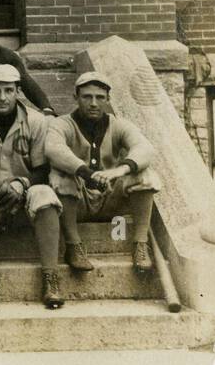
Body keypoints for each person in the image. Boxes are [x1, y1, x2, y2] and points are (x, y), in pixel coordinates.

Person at [0, 65, 65, 311]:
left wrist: (22, 183)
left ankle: (51, 277)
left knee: (46, 194)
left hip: (24, 191)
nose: (2, 97)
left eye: (9, 90)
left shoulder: (37, 121)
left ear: (19, 91)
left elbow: (43, 168)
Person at [46, 72, 162, 274]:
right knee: (60, 175)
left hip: (110, 199)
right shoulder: (62, 123)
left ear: (108, 99)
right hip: (78, 201)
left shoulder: (117, 124)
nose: (93, 103)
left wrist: (119, 170)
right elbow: (53, 149)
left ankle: (140, 244)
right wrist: (87, 173)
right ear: (76, 98)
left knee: (146, 175)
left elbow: (146, 148)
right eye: (86, 97)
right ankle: (74, 245)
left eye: (100, 97)